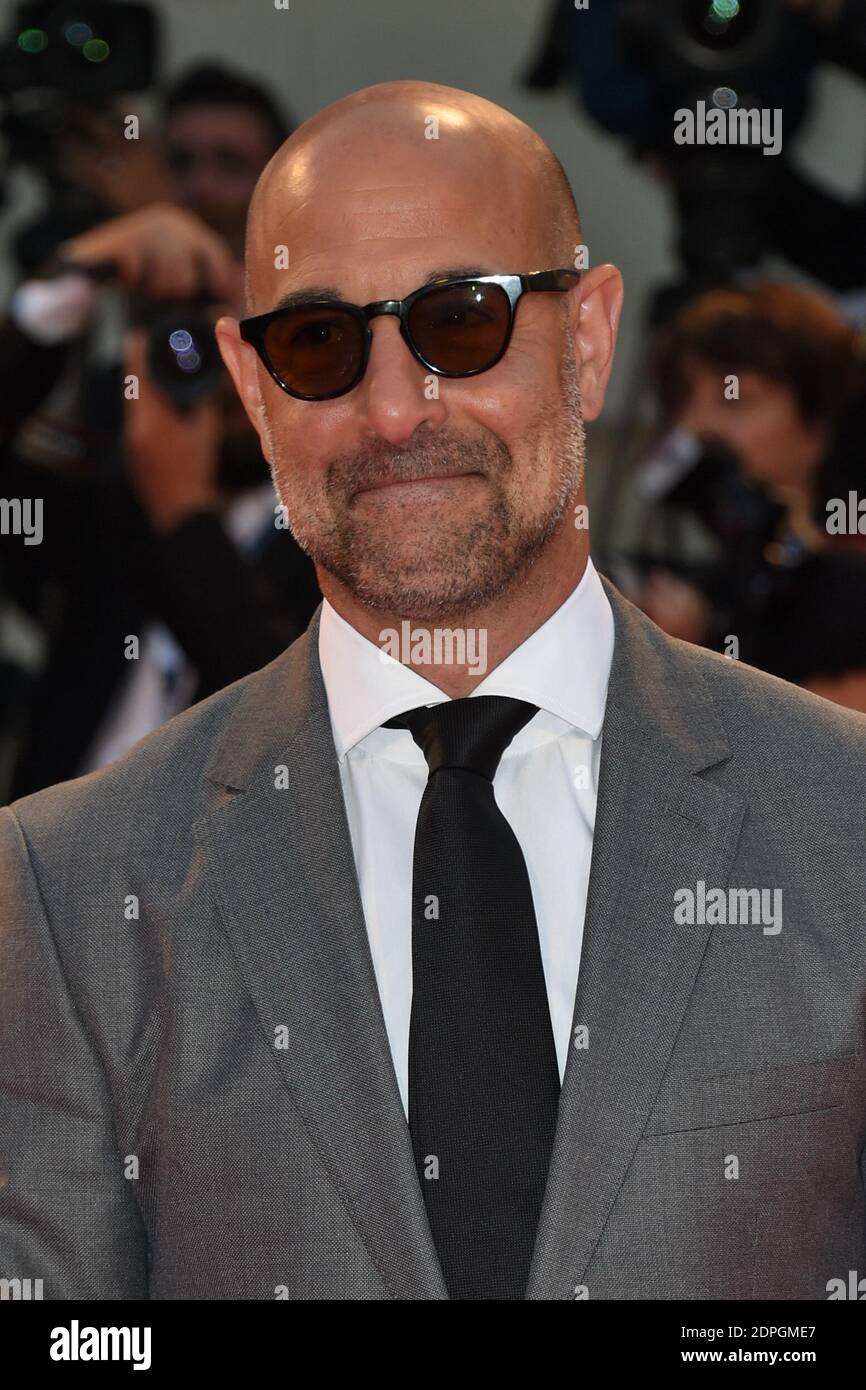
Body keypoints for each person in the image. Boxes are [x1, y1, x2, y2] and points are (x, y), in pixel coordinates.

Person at [1, 79, 865, 1302]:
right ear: (252, 393)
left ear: (586, 341)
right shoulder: (72, 883)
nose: (396, 410)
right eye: (318, 342)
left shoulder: (842, 822)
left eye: (461, 319)